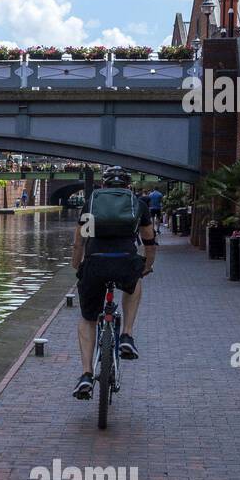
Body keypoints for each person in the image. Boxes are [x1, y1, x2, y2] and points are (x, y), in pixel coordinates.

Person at [72, 166, 156, 399]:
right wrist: (147, 266)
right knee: (134, 283)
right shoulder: (137, 204)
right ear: (128, 186)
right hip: (125, 263)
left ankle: (87, 374)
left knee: (88, 319)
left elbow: (81, 239)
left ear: (103, 185)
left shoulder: (92, 202)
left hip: (95, 263)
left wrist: (77, 264)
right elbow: (149, 241)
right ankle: (127, 335)